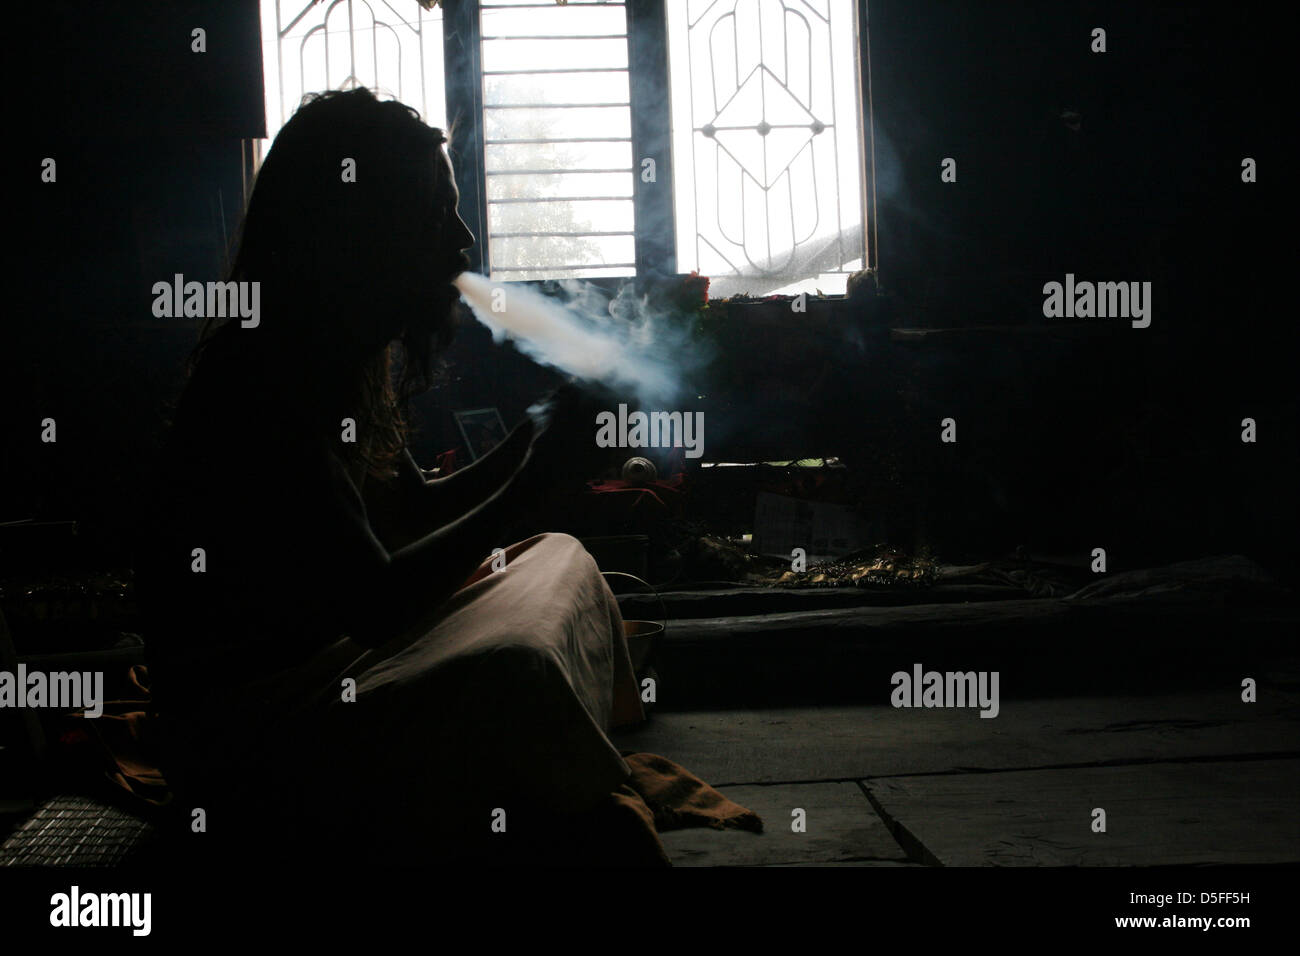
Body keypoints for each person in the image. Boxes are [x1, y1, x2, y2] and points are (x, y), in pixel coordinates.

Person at [135, 88, 645, 865]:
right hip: (257, 735)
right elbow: (375, 605)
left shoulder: (336, 354)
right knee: (517, 667)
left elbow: (409, 509)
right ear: (366, 233)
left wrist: (535, 439)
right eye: (440, 215)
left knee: (556, 559)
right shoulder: (266, 377)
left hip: (327, 665)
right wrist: (534, 482)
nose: (465, 240)